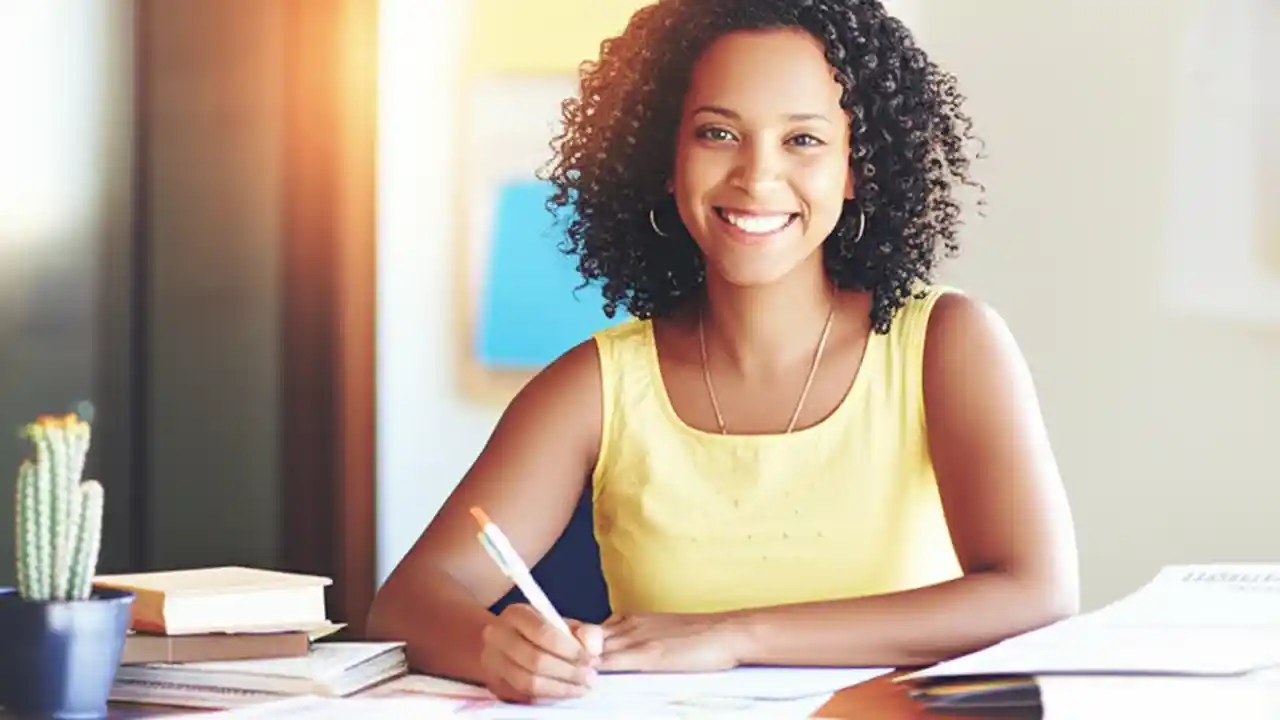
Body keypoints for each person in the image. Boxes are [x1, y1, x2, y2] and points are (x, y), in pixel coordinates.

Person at [368, 0, 1079, 704]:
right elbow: (408, 602)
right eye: (718, 133)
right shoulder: (597, 386)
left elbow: (1036, 593)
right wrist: (496, 647)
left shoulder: (945, 345)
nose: (756, 176)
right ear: (666, 158)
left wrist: (736, 634)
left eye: (802, 139)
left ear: (856, 167)